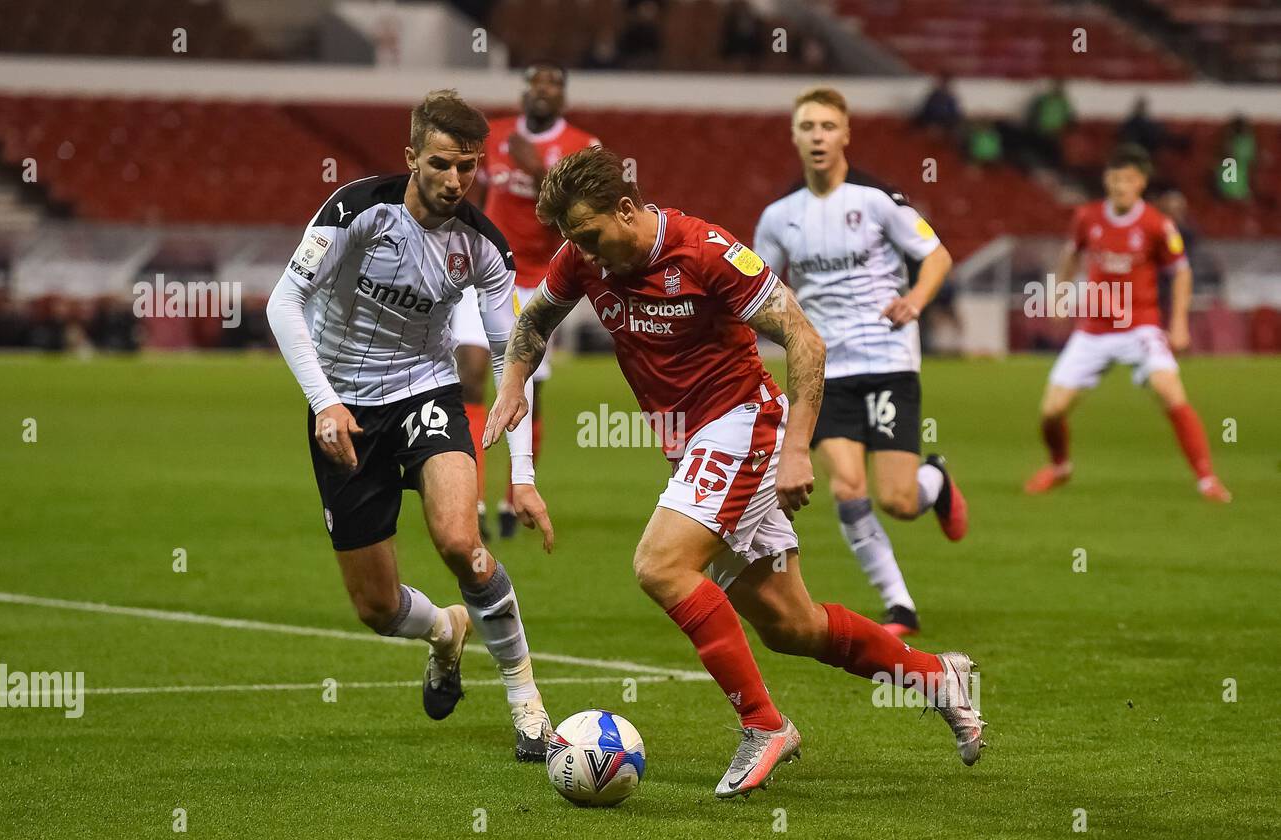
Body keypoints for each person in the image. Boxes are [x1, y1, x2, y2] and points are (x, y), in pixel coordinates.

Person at [486, 146, 986, 799]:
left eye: (591, 234)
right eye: (574, 240)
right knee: (792, 626)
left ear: (627, 208)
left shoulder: (706, 251)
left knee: (660, 565)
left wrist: (798, 448)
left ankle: (764, 724)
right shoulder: (584, 256)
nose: (585, 252)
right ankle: (936, 677)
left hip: (745, 426)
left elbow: (804, 338)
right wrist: (512, 386)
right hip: (692, 446)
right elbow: (535, 321)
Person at [266, 90, 556, 761]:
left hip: (425, 395)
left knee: (460, 540)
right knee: (375, 606)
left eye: (468, 167)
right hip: (343, 409)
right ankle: (444, 628)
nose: (456, 181)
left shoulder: (482, 247)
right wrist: (326, 402)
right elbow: (286, 302)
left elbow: (514, 361)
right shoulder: (355, 211)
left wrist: (526, 475)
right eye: (441, 164)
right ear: (410, 158)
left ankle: (527, 703)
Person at [753, 87, 965, 638]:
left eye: (827, 126)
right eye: (808, 127)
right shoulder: (779, 217)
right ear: (794, 136)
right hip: (824, 369)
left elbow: (937, 256)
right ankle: (900, 606)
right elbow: (762, 290)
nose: (818, 136)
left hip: (889, 360)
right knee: (847, 487)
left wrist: (915, 302)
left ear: (846, 133)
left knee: (897, 500)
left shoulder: (877, 200)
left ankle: (934, 483)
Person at [1025, 144, 1232, 503]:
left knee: (1169, 389)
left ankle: (1206, 479)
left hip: (1141, 326)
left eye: (1128, 179)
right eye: (1115, 178)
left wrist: (1179, 322)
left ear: (1141, 183)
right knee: (1051, 411)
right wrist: (1058, 294)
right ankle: (1059, 467)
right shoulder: (1087, 218)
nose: (1120, 185)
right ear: (1106, 180)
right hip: (1093, 329)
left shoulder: (1156, 224)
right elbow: (1070, 254)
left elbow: (1181, 272)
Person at [454, 63, 599, 539]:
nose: (542, 90)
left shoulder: (584, 146)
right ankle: (470, 500)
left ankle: (515, 494)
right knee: (472, 376)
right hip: (489, 270)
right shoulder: (491, 135)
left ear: (563, 97)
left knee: (525, 393)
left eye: (553, 83)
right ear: (524, 91)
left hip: (543, 283)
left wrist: (538, 170)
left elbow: (583, 209)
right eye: (535, 82)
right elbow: (465, 194)